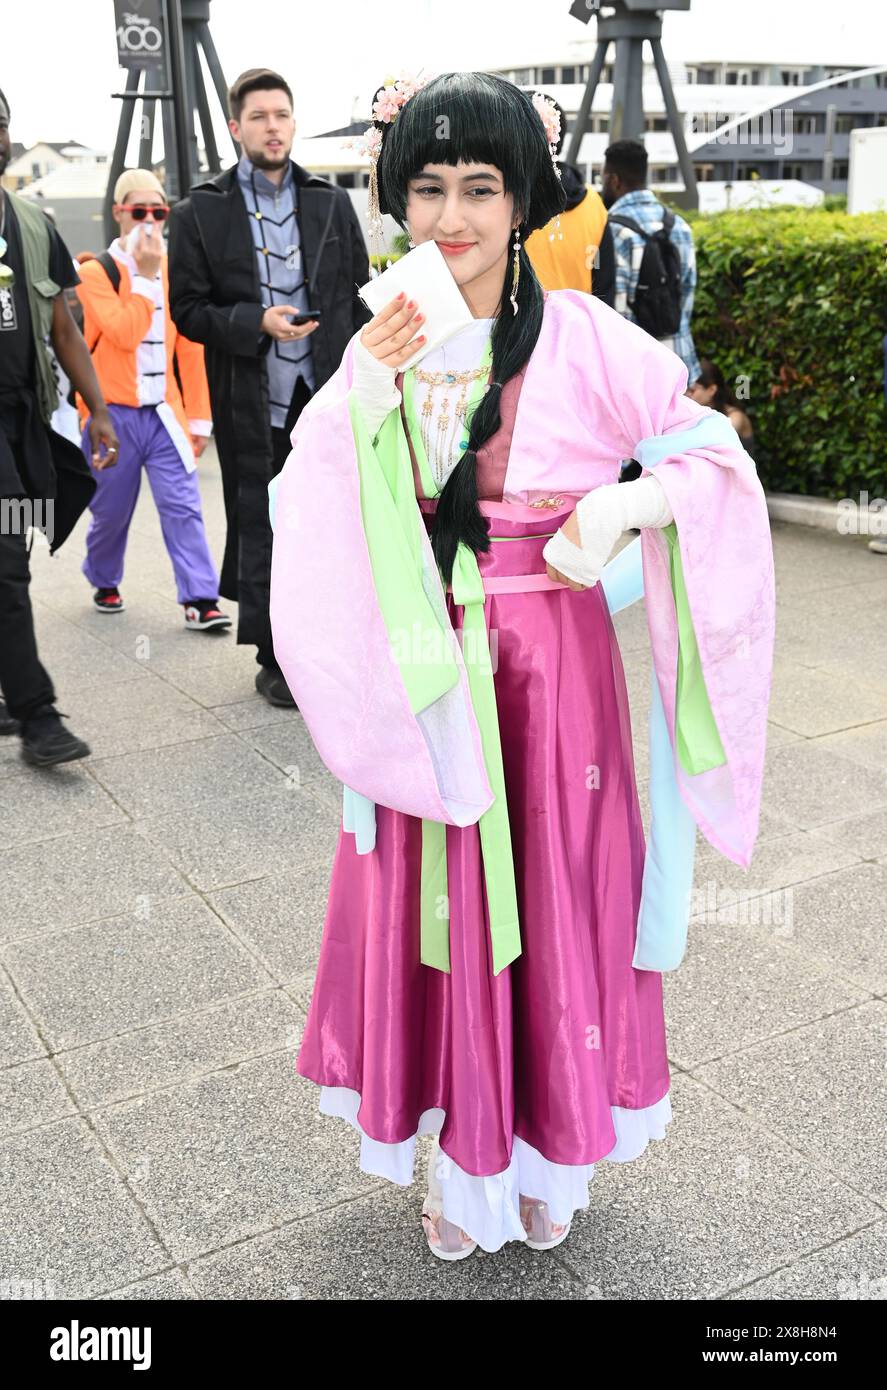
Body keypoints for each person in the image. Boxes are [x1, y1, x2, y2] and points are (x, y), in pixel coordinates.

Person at [269, 72, 775, 1259]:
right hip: (430, 671)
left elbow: (716, 463)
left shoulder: (594, 339)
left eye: (481, 189)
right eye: (428, 187)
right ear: (397, 200)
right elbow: (309, 492)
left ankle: (551, 1148)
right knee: (438, 901)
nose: (452, 217)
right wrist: (366, 391)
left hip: (552, 678)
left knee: (557, 898)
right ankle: (460, 1149)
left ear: (524, 200)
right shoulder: (381, 335)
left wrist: (625, 508)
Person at [168, 67, 371, 705]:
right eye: (258, 117)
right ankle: (275, 655)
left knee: (334, 522)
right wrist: (254, 321)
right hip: (254, 400)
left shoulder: (330, 203)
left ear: (293, 122)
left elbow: (358, 296)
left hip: (328, 393)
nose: (272, 126)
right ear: (236, 128)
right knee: (262, 521)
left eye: (281, 114)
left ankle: (332, 645)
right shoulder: (199, 212)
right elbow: (189, 309)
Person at [0, 86, 119, 765]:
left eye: (2, 122)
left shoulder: (32, 223)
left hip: (21, 415)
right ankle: (36, 712)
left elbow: (64, 326)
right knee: (7, 561)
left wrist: (96, 408)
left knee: (9, 553)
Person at [75, 169, 229, 630]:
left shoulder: (176, 270)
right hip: (111, 415)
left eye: (157, 211)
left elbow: (191, 347)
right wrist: (143, 277)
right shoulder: (94, 271)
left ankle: (200, 598)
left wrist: (199, 419)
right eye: (138, 210)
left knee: (183, 506)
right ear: (119, 212)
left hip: (165, 413)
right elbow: (122, 333)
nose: (148, 220)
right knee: (111, 512)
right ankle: (102, 577)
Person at [602, 138, 701, 385]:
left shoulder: (613, 230)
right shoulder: (679, 226)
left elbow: (618, 312)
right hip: (680, 361)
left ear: (614, 180)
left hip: (637, 371)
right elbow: (686, 294)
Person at [524, 93, 615, 306]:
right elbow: (604, 285)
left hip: (516, 334)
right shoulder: (593, 203)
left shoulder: (506, 202)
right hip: (578, 333)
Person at [687, 357, 755, 459]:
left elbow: (713, 439)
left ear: (711, 390)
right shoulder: (698, 414)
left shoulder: (735, 417)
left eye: (692, 390)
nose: (687, 395)